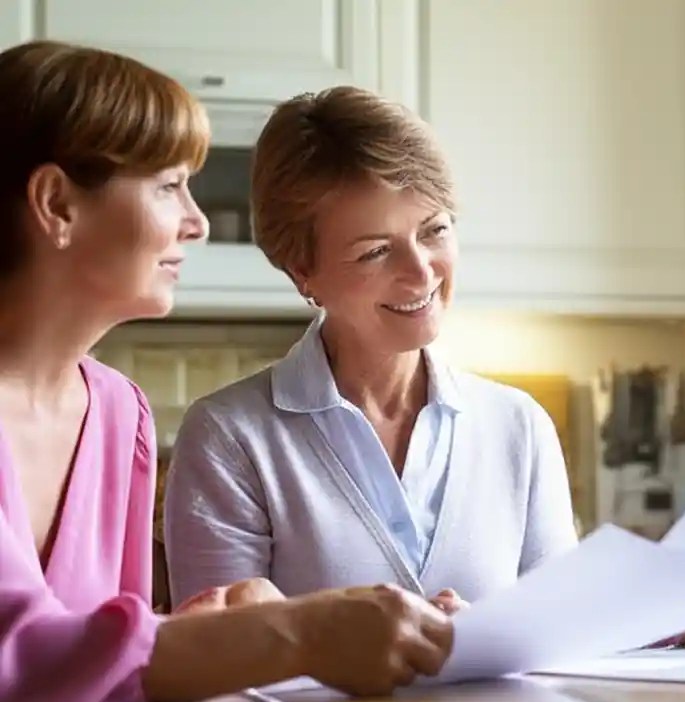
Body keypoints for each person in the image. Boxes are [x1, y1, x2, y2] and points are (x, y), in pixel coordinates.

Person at [0, 41, 454, 702]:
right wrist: (294, 632)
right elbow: (22, 657)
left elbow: (112, 675)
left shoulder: (120, 416)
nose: (199, 221)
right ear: (58, 204)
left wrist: (211, 624)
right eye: (167, 187)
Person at [162, 86, 578, 608]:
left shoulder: (519, 426)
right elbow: (213, 660)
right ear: (302, 272)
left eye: (435, 230)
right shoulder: (231, 437)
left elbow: (565, 636)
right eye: (376, 251)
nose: (421, 271)